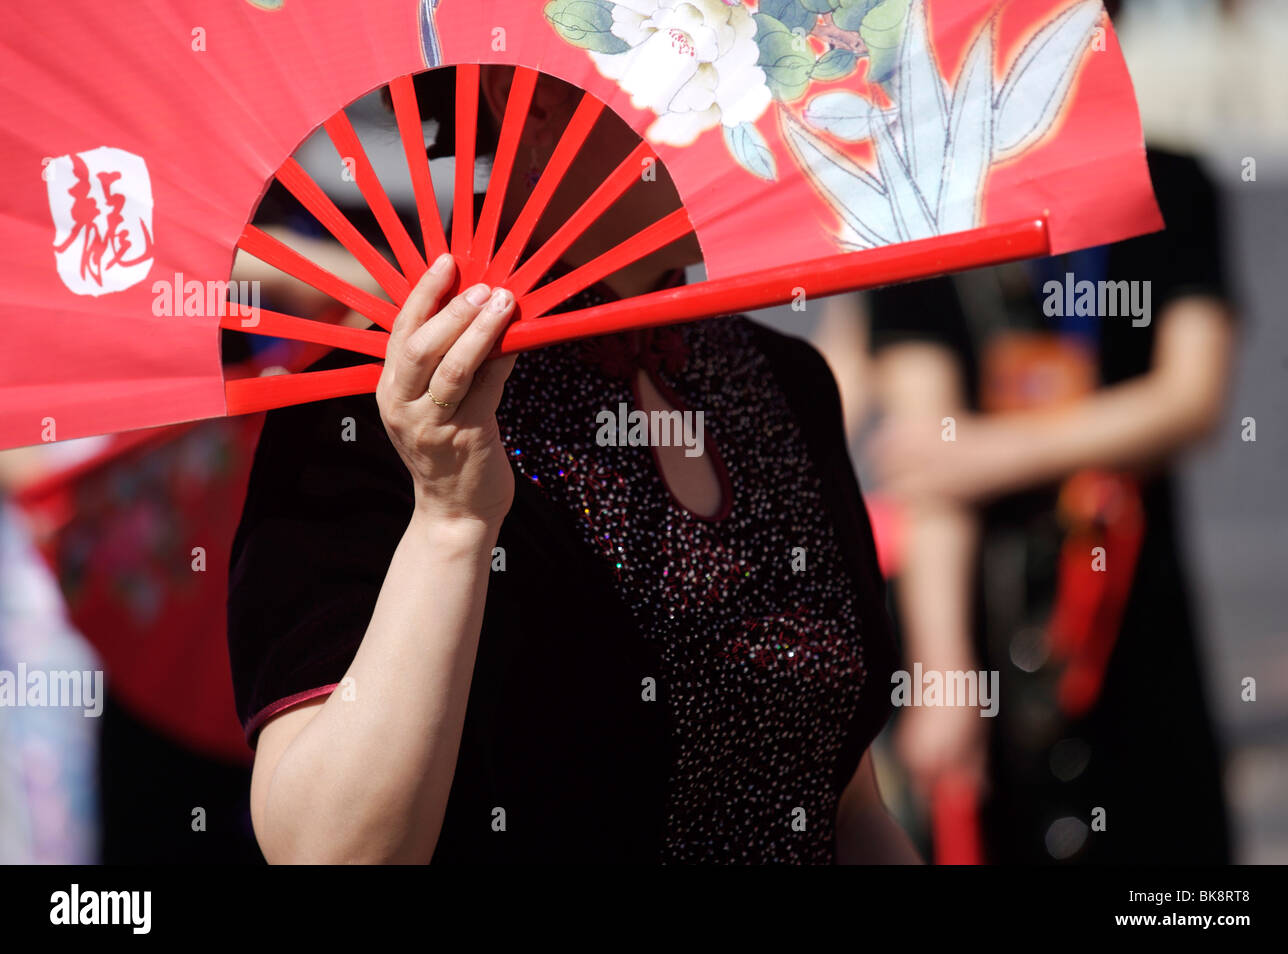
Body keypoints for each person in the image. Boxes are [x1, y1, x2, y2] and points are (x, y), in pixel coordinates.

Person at [226, 65, 917, 864]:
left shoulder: (783, 385)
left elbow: (848, 805)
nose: (764, 86)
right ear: (541, 100)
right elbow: (328, 854)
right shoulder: (371, 414)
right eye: (705, 45)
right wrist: (449, 520)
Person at [860, 0, 1235, 860]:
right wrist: (943, 673)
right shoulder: (923, 203)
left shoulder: (1170, 184)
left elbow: (1194, 395)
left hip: (1129, 596)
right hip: (981, 616)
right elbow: (927, 464)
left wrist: (994, 450)